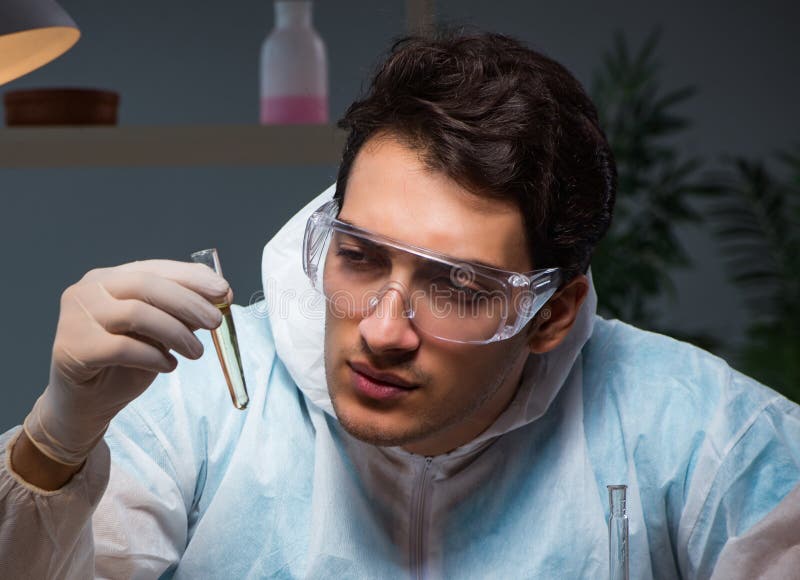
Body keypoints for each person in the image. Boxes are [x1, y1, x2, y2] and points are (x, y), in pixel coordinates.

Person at [1, 31, 798, 579]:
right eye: (358, 256)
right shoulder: (200, 397)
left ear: (552, 313)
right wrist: (55, 443)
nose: (382, 332)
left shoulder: (699, 434)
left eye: (457, 288)